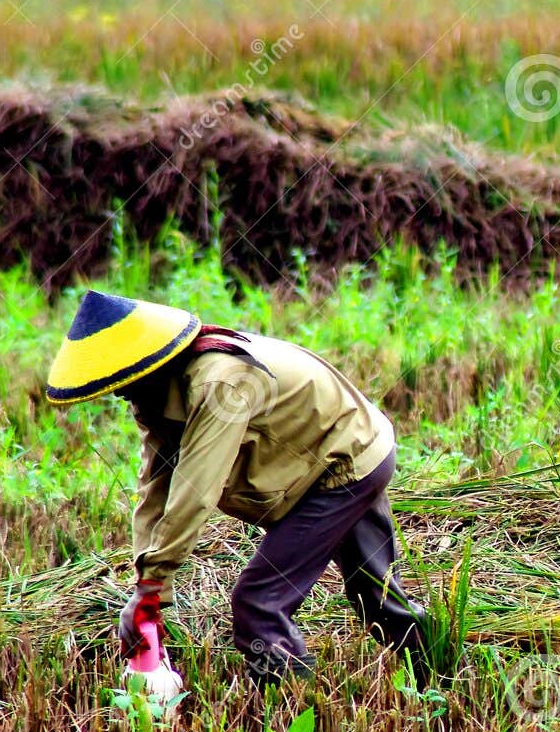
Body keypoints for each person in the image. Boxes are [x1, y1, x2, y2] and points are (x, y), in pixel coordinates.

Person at [45, 290, 433, 685]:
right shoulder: (157, 394)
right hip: (342, 449)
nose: (123, 395)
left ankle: (291, 713)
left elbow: (196, 489)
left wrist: (152, 585)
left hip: (344, 464)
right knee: (378, 595)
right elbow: (155, 489)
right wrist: (148, 592)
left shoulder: (220, 383)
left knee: (259, 603)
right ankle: (438, 671)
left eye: (125, 384)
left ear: (148, 366)